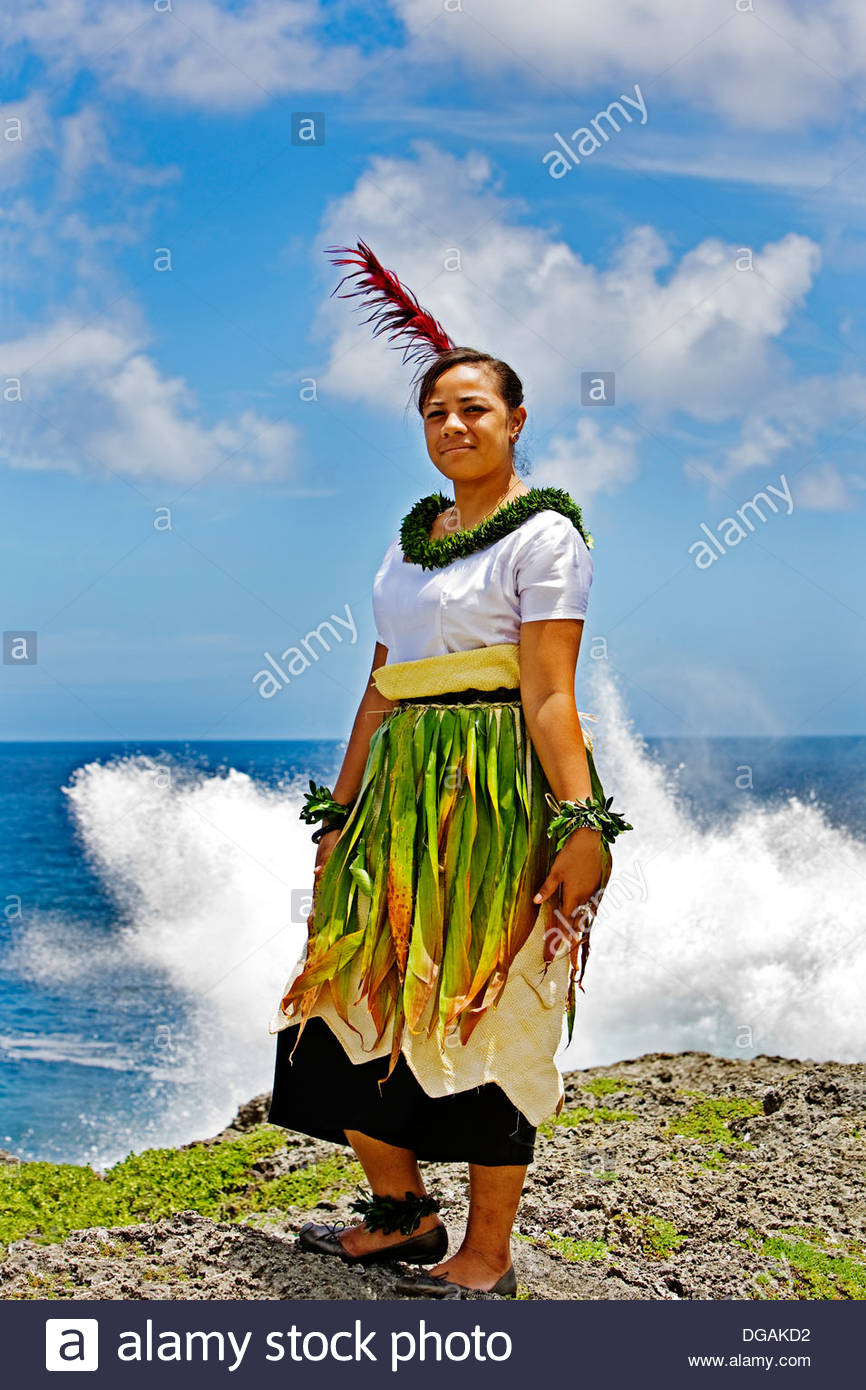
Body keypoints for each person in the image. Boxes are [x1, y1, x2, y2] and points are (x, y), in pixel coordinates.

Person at [266, 243, 630, 1298]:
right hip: (395, 797)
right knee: (338, 1001)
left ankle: (488, 1250)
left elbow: (549, 694)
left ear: (514, 421)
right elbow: (380, 687)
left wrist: (582, 824)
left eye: (474, 408)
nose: (453, 426)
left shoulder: (546, 536)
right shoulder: (409, 541)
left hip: (487, 792)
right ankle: (403, 1209)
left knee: (483, 1009)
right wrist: (340, 811)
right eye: (435, 412)